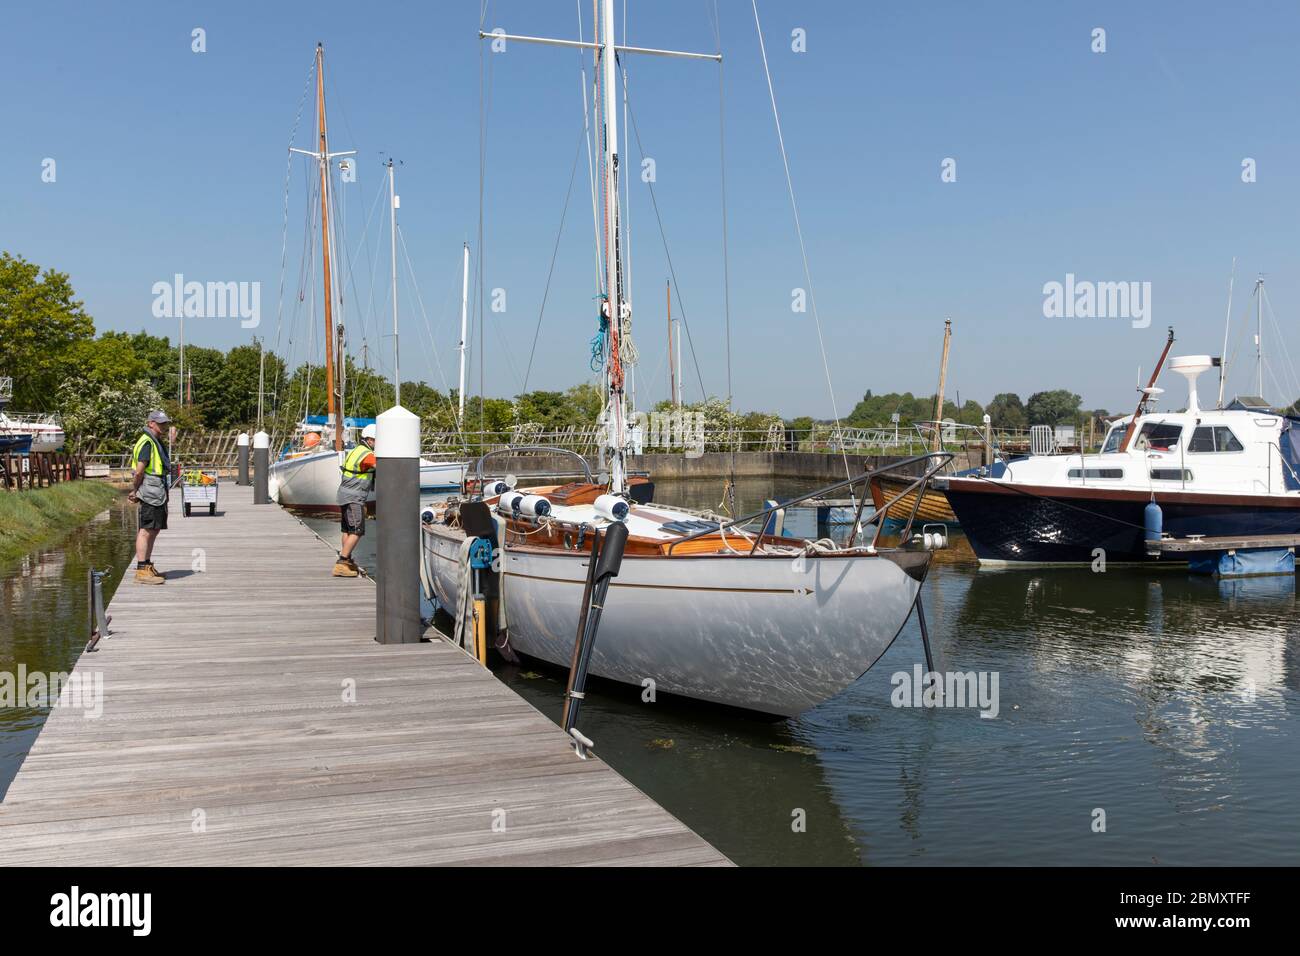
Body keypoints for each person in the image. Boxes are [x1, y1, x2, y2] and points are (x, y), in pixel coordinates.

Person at [128, 410, 173, 584]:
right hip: (150, 490)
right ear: (150, 423)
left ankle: (146, 565)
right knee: (146, 530)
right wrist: (135, 490)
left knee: (154, 528)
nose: (164, 426)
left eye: (165, 423)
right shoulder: (147, 442)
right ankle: (141, 570)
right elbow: (139, 470)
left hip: (157, 490)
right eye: (160, 423)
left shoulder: (155, 441)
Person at [334, 423, 376, 577]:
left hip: (344, 494)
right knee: (357, 530)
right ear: (371, 440)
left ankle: (348, 561)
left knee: (347, 530)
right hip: (354, 497)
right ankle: (342, 562)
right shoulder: (367, 454)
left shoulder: (355, 450)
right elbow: (382, 465)